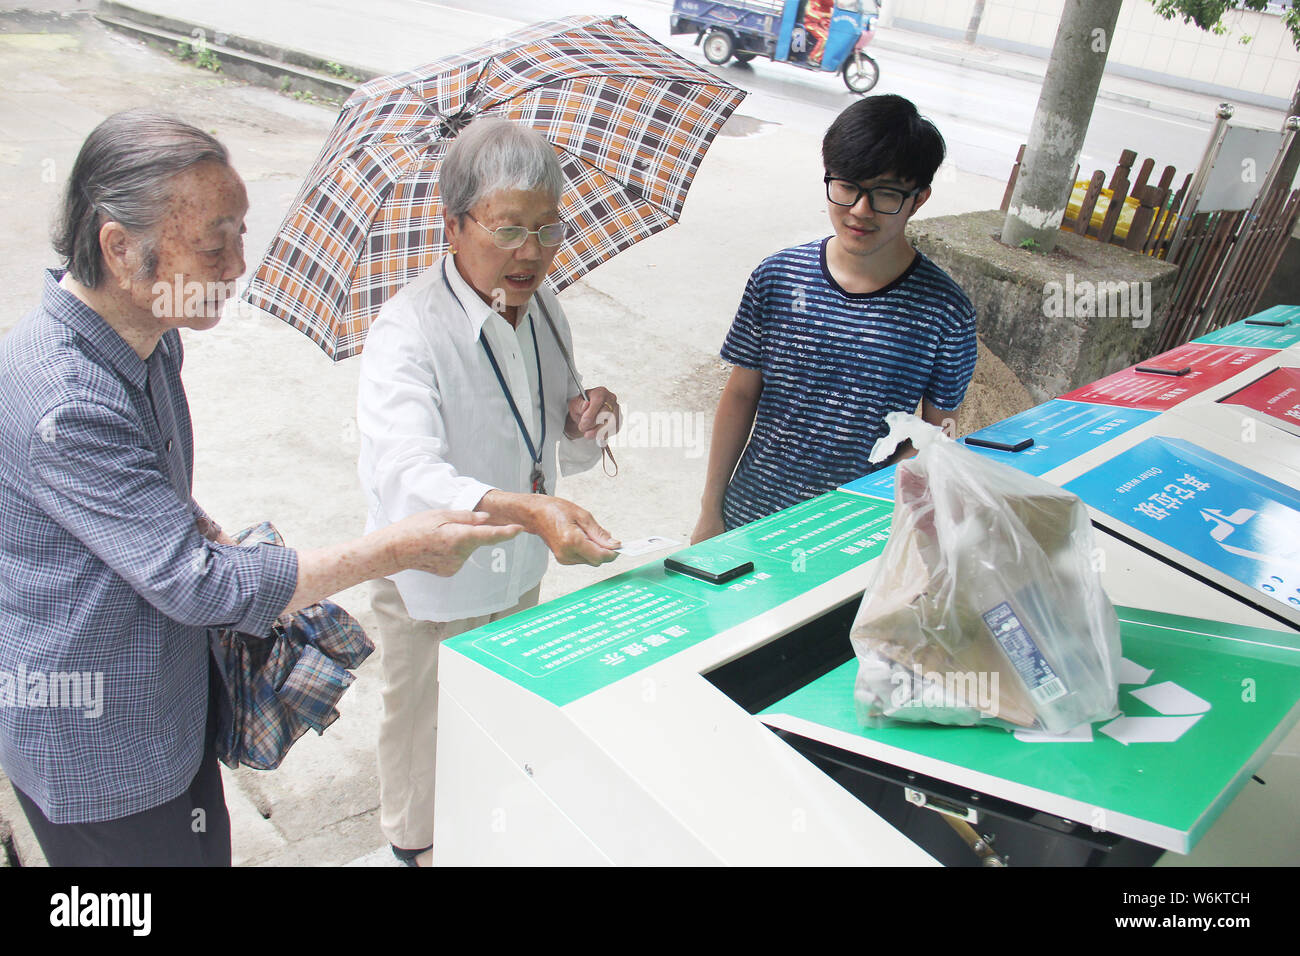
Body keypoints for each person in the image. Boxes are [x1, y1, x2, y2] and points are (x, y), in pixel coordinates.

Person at [0, 109, 523, 867]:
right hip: (101, 742)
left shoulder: (148, 337)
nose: (237, 265)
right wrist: (394, 549)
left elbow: (143, 503)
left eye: (240, 235)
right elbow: (195, 584)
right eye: (214, 244)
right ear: (119, 247)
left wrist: (186, 517)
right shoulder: (66, 398)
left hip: (166, 705)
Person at [356, 117, 622, 867]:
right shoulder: (408, 331)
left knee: (496, 740)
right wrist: (525, 510)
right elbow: (407, 476)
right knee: (425, 748)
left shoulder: (545, 310)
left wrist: (589, 418)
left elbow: (557, 440)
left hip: (518, 574)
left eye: (547, 229)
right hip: (433, 589)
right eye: (509, 229)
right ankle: (419, 852)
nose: (531, 252)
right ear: (454, 225)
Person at [692, 95, 977, 543]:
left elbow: (936, 434)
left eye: (885, 193)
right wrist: (711, 508)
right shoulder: (778, 277)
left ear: (918, 199)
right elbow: (742, 395)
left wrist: (876, 518)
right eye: (847, 186)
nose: (860, 210)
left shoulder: (945, 312)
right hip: (747, 519)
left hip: (851, 537)